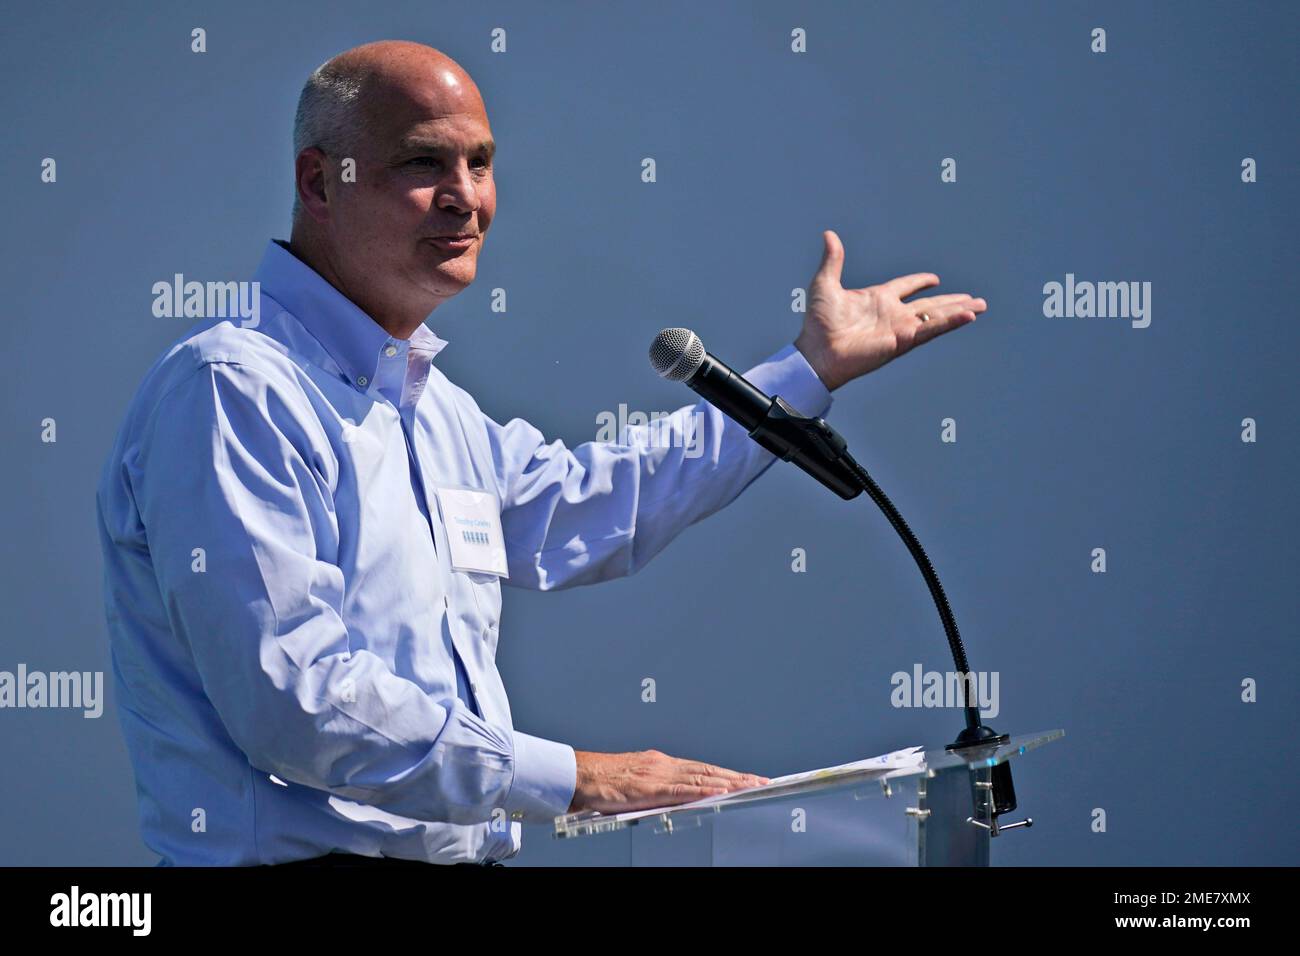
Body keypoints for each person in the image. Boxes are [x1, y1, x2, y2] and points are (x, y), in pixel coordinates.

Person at [95, 40, 987, 866]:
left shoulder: (432, 407)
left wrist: (804, 374)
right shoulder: (234, 387)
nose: (466, 195)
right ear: (319, 182)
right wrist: (578, 778)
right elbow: (292, 698)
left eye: (480, 163)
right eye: (423, 162)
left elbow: (594, 504)